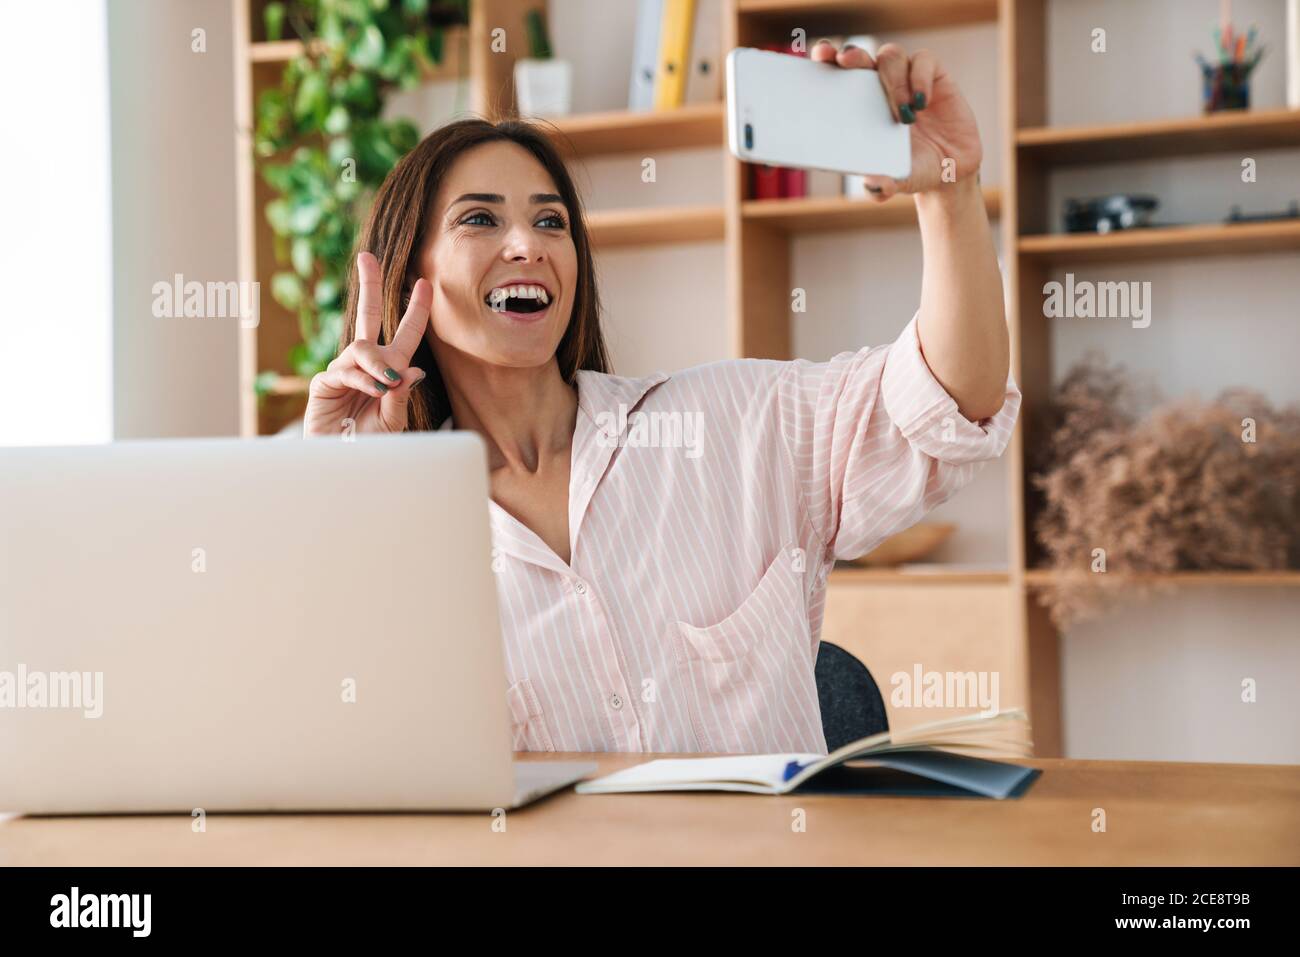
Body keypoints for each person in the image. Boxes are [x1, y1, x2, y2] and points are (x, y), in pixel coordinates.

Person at [303, 40, 1020, 754]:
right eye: (480, 219)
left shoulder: (736, 424)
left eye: (551, 221)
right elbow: (349, 755)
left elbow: (952, 398)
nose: (528, 243)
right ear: (407, 274)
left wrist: (949, 188)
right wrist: (362, 495)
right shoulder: (408, 540)